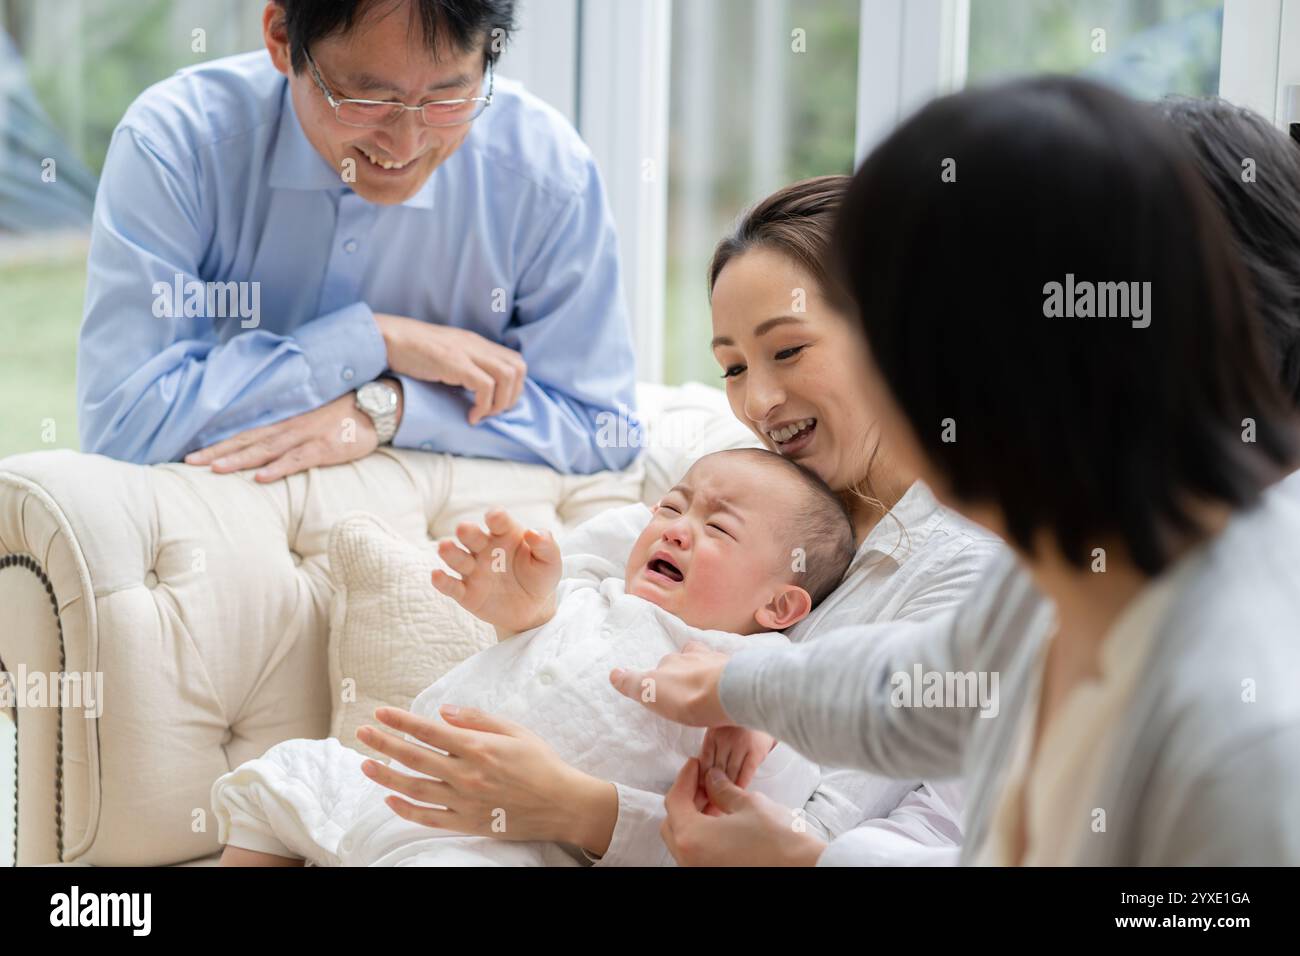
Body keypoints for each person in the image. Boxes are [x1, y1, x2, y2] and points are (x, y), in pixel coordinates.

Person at [613, 76, 1300, 865]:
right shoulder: (1074, 548)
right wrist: (737, 688)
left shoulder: (1247, 724)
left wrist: (806, 863)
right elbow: (927, 689)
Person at [349, 176, 1004, 866]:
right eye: (732, 367)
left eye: (787, 351)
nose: (759, 400)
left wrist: (575, 806)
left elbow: (810, 843)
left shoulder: (962, 578)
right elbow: (574, 608)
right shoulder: (736, 476)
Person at [77, 0, 638, 478]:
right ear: (280, 38)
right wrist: (373, 340)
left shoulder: (544, 173)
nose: (404, 144)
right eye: (367, 100)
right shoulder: (177, 146)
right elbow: (123, 426)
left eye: (449, 98)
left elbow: (602, 428)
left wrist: (389, 405)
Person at [211, 449, 848, 865]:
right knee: (284, 774)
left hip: (505, 845)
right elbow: (532, 633)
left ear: (780, 606)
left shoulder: (746, 667)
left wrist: (754, 713)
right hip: (387, 789)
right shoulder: (590, 591)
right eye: (672, 507)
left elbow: (777, 807)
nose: (676, 529)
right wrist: (515, 606)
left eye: (719, 529)